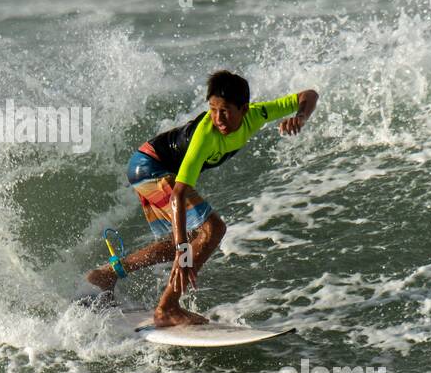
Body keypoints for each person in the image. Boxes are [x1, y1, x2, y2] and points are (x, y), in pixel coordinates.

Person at [84, 70, 318, 327]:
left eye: (225, 111)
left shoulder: (258, 114)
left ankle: (109, 274)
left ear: (244, 109)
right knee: (212, 230)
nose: (217, 118)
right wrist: (183, 255)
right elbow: (179, 194)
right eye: (213, 109)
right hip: (149, 167)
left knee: (192, 240)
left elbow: (308, 95)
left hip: (156, 168)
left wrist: (300, 117)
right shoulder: (206, 136)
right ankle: (167, 308)